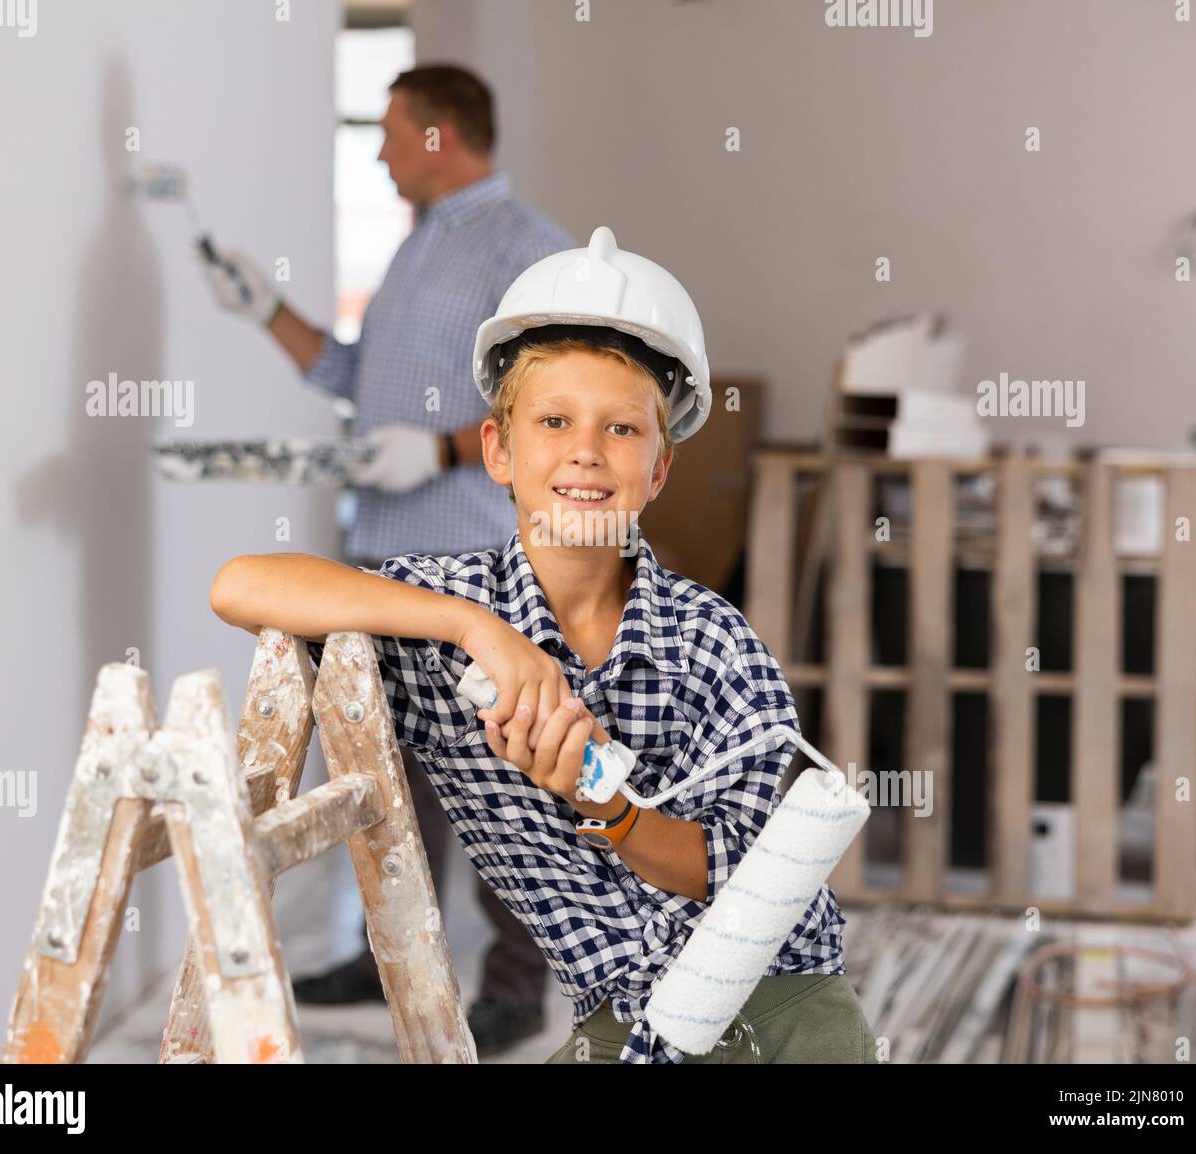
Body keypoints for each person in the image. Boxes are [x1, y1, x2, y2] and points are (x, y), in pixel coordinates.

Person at [209, 226, 877, 1063]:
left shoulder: (713, 641)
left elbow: (749, 873)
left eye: (623, 431)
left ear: (660, 468)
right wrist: (476, 629)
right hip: (627, 1023)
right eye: (554, 421)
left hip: (781, 1007)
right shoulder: (444, 621)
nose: (586, 454)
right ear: (500, 450)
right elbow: (239, 585)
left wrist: (614, 811)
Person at [199, 63, 573, 1054]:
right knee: (386, 776)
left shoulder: (527, 250)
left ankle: (513, 988)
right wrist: (262, 308)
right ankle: (386, 950)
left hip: (473, 564)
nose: (380, 150)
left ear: (443, 135)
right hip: (380, 561)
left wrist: (445, 449)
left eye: (394, 131)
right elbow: (357, 380)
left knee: (493, 784)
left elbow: (560, 400)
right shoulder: (417, 250)